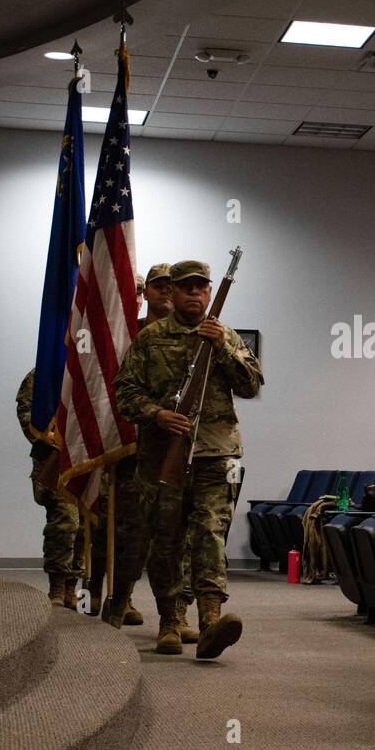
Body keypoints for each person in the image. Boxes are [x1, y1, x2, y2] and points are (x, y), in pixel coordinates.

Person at [113, 260, 263, 658]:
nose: (194, 294)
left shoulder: (225, 336)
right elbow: (124, 393)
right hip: (163, 455)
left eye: (201, 288)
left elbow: (251, 385)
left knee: (210, 534)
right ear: (172, 293)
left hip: (217, 453)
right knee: (167, 541)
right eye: (186, 288)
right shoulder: (151, 339)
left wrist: (223, 347)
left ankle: (211, 620)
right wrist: (157, 414)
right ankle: (170, 620)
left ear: (210, 293)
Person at [86, 273, 146, 628]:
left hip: (141, 446)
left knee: (134, 529)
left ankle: (124, 595)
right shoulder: (110, 334)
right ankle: (96, 585)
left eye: (139, 291)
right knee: (107, 525)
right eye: (131, 290)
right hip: (108, 442)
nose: (135, 297)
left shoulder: (143, 333)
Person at [15, 368, 81, 608]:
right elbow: (26, 410)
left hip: (86, 457)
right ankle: (58, 585)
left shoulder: (92, 366)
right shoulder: (45, 370)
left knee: (85, 524)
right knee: (64, 521)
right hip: (53, 457)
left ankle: (73, 586)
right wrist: (47, 436)